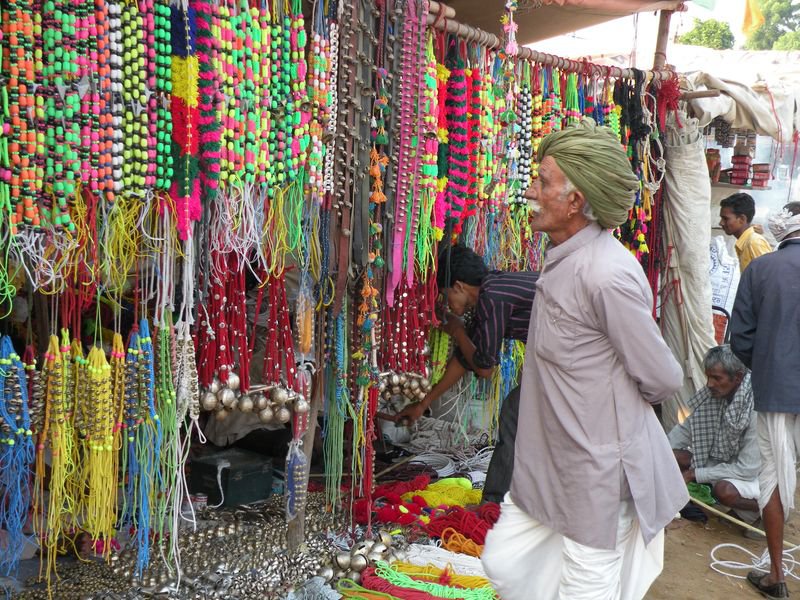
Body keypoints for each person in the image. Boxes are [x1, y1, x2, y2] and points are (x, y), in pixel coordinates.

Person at [481, 118, 687, 600]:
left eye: (543, 181)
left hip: (595, 469)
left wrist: (603, 404)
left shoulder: (606, 273)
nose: (530, 191)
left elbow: (661, 376)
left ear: (575, 201)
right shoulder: (563, 257)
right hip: (550, 463)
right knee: (506, 564)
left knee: (584, 587)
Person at [394, 244, 538, 503]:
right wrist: (422, 405)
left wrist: (457, 331)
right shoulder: (490, 293)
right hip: (565, 356)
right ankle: (511, 500)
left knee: (513, 415)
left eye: (444, 295)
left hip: (578, 356)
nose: (445, 304)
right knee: (520, 418)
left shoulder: (493, 296)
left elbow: (484, 367)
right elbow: (464, 360)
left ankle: (494, 504)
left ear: (459, 286)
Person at [730, 201, 800, 600]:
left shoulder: (761, 268)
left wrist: (771, 365)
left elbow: (741, 339)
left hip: (774, 390)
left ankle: (776, 575)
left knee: (770, 480)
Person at [668, 345, 760, 528]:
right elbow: (684, 432)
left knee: (724, 491)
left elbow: (747, 469)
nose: (709, 384)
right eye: (708, 377)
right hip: (721, 465)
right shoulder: (712, 395)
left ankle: (765, 511)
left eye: (717, 378)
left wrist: (694, 473)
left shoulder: (756, 408)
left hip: (755, 475)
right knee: (669, 455)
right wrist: (659, 452)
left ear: (738, 378)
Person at [719, 192, 772, 272]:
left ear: (742, 219)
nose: (721, 223)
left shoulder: (754, 242)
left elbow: (769, 277)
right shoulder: (745, 242)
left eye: (725, 219)